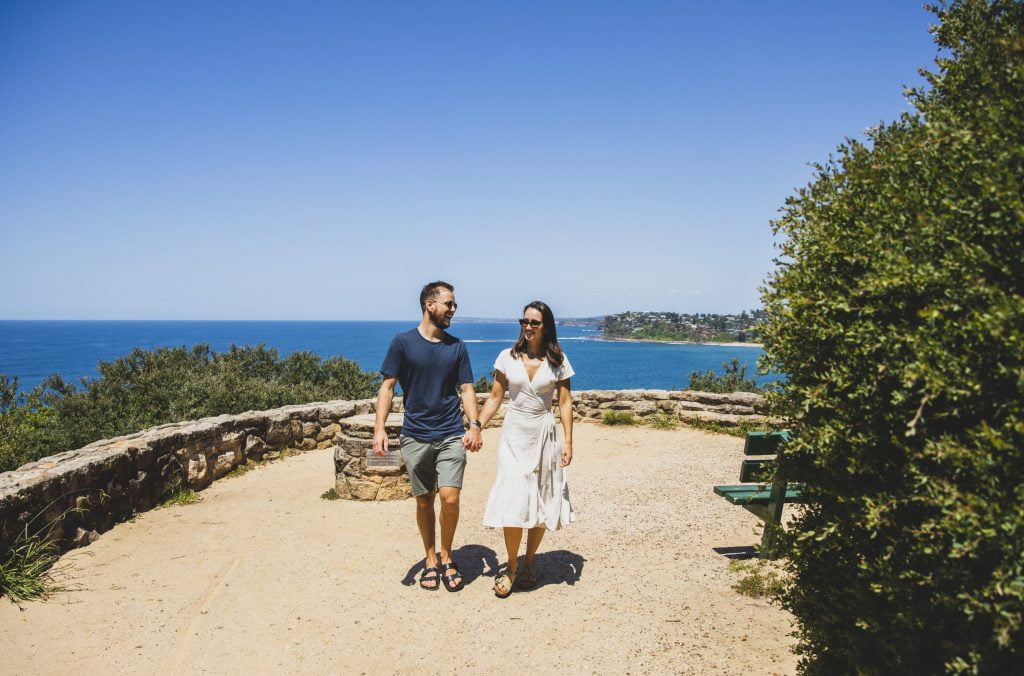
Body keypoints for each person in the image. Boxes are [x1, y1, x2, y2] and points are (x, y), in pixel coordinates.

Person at [373, 281, 483, 592]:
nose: (453, 309)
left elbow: (467, 389)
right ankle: (430, 558)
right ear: (429, 305)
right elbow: (387, 387)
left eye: (454, 304)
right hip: (415, 434)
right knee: (424, 501)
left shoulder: (457, 347)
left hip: (450, 432)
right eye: (449, 304)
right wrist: (379, 428)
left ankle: (447, 555)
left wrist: (475, 424)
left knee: (450, 497)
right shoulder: (402, 343)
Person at [478, 300, 575, 598]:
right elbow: (495, 397)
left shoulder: (558, 360)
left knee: (542, 497)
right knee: (513, 498)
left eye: (534, 322)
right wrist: (476, 425)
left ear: (546, 327)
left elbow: (565, 401)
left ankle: (529, 562)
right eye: (524, 321)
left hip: (543, 434)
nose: (528, 327)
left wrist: (568, 441)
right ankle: (511, 566)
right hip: (514, 435)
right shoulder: (507, 357)